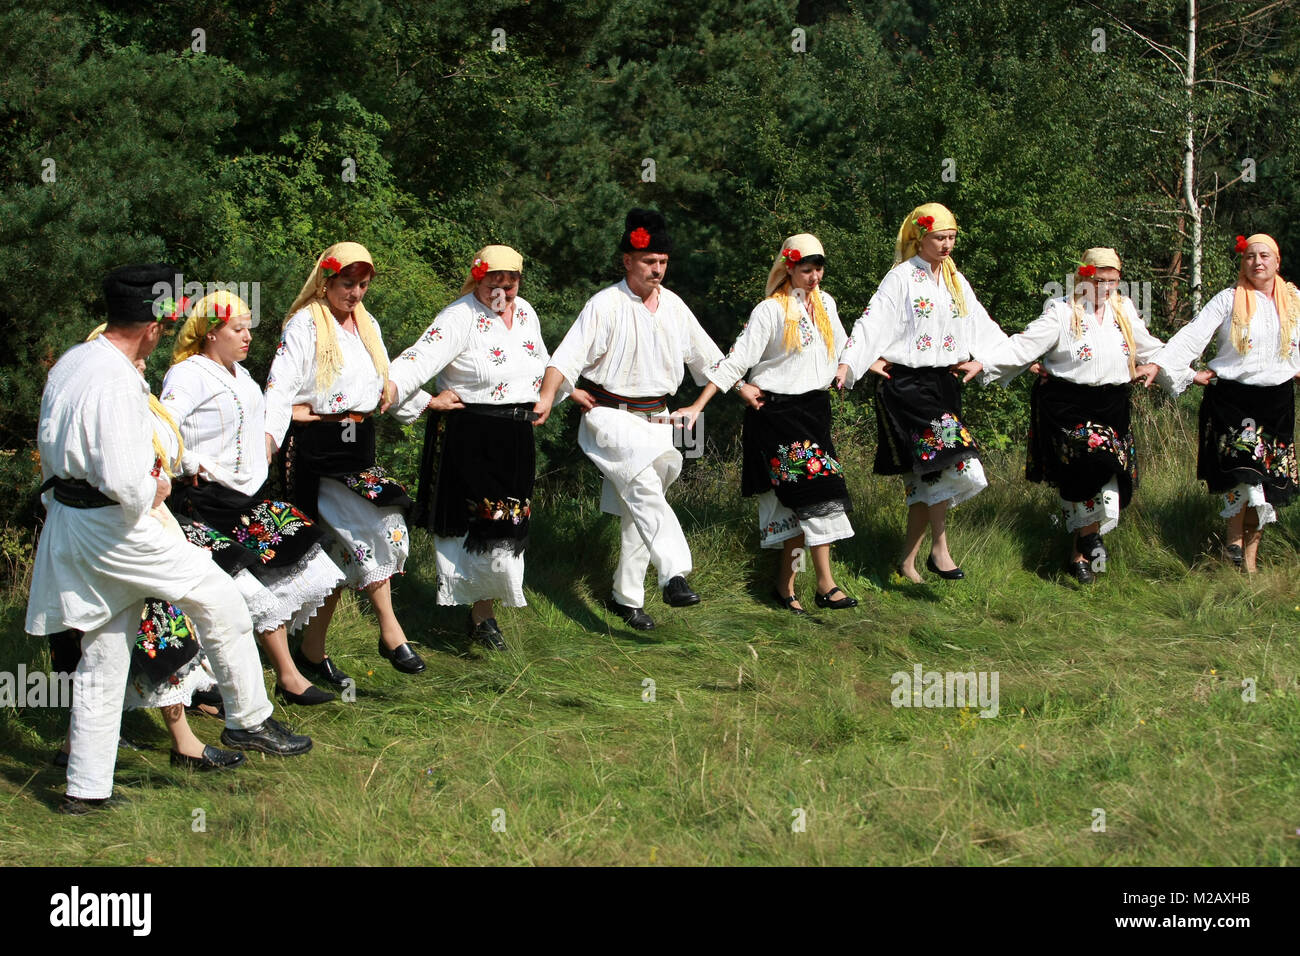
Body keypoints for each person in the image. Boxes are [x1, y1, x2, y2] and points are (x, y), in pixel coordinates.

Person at [27, 264, 310, 813]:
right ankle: (250, 720)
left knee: (104, 655)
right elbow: (128, 483)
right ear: (154, 327)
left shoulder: (75, 361)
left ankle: (84, 791)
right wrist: (158, 479)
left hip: (72, 525)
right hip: (115, 528)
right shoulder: (113, 380)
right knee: (220, 596)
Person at [533, 209, 724, 630]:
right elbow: (564, 358)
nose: (657, 270)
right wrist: (552, 396)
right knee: (644, 487)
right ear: (627, 261)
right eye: (648, 262)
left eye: (663, 262)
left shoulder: (674, 307)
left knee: (641, 502)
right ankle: (674, 572)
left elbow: (713, 364)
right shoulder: (604, 304)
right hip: (608, 416)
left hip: (657, 419)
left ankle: (627, 597)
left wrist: (717, 398)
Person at [161, 291, 346, 703]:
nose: (248, 338)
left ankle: (286, 664)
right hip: (205, 505)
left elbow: (272, 409)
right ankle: (285, 678)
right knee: (254, 597)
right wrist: (193, 464)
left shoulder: (240, 375)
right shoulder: (188, 374)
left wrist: (267, 442)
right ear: (211, 333)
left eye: (249, 329)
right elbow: (162, 429)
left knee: (320, 565)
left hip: (247, 501)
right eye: (237, 329)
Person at [265, 242, 424, 673]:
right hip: (317, 448)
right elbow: (280, 386)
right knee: (380, 524)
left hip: (357, 441)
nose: (354, 293)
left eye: (363, 285)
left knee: (339, 553)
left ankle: (312, 653)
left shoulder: (365, 323)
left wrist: (425, 402)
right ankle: (391, 631)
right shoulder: (304, 324)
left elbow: (382, 381)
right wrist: (268, 437)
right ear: (325, 281)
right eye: (346, 284)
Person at [387, 246, 550, 650]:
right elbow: (411, 363)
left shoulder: (526, 312)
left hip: (516, 435)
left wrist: (551, 395)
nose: (503, 291)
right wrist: (425, 401)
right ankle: (482, 616)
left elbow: (541, 363)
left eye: (510, 283)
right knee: (477, 526)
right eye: (494, 281)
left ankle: (484, 611)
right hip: (471, 433)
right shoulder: (458, 317)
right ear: (478, 279)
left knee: (506, 525)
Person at [686, 233, 857, 614]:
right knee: (814, 495)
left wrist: (847, 367)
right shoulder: (770, 310)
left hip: (815, 413)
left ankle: (785, 586)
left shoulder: (825, 304)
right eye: (806, 269)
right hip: (778, 415)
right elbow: (735, 359)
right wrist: (712, 399)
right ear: (788, 268)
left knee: (805, 504)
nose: (814, 277)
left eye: (819, 269)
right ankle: (825, 585)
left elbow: (846, 347)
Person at [836, 203, 1006, 583]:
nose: (947, 245)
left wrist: (1000, 360)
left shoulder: (956, 281)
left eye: (952, 238)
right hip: (908, 387)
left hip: (946, 384)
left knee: (926, 478)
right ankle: (940, 549)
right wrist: (853, 363)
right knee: (956, 458)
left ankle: (907, 562)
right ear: (920, 238)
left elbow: (982, 325)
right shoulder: (900, 278)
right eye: (939, 238)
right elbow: (872, 321)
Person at [983, 249, 1165, 583]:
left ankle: (1081, 553)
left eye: (1112, 281)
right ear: (1083, 278)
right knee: (1091, 461)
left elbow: (1150, 346)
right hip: (1068, 404)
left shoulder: (1123, 310)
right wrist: (983, 364)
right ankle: (1090, 539)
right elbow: (1023, 346)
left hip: (1112, 404)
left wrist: (1159, 365)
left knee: (1102, 475)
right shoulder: (1061, 311)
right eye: (1099, 281)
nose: (1106, 288)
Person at [1136, 233, 1300, 572]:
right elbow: (1192, 336)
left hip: (1276, 402)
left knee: (1266, 485)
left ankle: (1249, 565)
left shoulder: (1294, 300)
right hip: (1233, 400)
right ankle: (1232, 541)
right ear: (1243, 263)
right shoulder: (1228, 299)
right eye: (1251, 256)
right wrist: (1163, 366)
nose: (1257, 262)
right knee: (1241, 473)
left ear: (1277, 261)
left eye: (1264, 256)